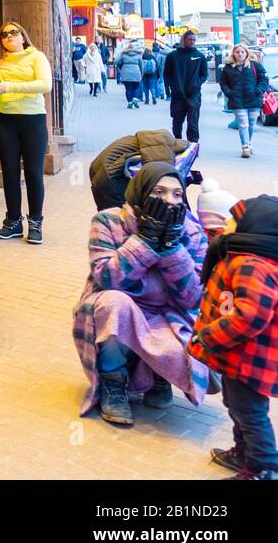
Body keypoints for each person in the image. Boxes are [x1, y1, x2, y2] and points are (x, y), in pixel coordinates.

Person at [73, 162, 209, 427]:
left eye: (177, 194)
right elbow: (108, 278)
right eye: (159, 192)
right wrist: (146, 240)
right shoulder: (109, 221)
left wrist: (170, 247)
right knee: (115, 304)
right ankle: (114, 386)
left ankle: (159, 378)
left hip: (165, 313)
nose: (169, 200)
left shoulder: (191, 231)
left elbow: (192, 297)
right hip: (119, 306)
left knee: (186, 335)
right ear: (141, 191)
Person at [190, 196, 278, 480]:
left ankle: (264, 467)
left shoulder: (252, 265)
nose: (226, 225)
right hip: (241, 357)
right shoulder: (247, 256)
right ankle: (244, 453)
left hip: (251, 360)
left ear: (254, 227)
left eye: (233, 220)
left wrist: (209, 336)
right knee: (238, 406)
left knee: (250, 413)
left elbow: (250, 316)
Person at [0, 20, 53, 244]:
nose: (8, 36)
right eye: (4, 34)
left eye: (14, 32)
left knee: (34, 173)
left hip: (33, 120)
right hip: (6, 120)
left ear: (23, 36)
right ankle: (14, 222)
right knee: (9, 173)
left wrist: (9, 87)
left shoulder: (37, 56)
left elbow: (45, 84)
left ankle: (35, 223)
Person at [88, 130, 197, 211]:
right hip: (108, 178)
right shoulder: (162, 156)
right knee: (118, 220)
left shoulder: (164, 147)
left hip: (103, 168)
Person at [219, 43, 269, 158]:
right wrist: (229, 93)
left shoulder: (255, 65)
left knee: (251, 124)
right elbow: (223, 82)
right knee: (243, 124)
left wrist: (258, 91)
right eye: (237, 52)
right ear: (234, 54)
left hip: (254, 98)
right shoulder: (228, 67)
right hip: (237, 100)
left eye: (242, 52)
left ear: (246, 53)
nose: (240, 54)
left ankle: (249, 143)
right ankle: (245, 147)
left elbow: (264, 80)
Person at [162, 30, 210, 142]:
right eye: (190, 39)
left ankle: (193, 145)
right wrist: (172, 88)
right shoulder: (172, 56)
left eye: (194, 40)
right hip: (177, 95)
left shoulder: (200, 56)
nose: (192, 42)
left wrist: (196, 83)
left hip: (194, 95)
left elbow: (204, 75)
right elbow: (166, 75)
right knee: (177, 121)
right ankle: (177, 141)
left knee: (193, 122)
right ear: (183, 40)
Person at [116, 41, 145, 109]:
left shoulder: (123, 54)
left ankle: (129, 102)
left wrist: (121, 54)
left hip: (126, 73)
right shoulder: (138, 55)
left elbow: (117, 62)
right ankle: (135, 99)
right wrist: (141, 74)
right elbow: (141, 66)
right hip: (136, 72)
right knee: (137, 87)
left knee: (128, 88)